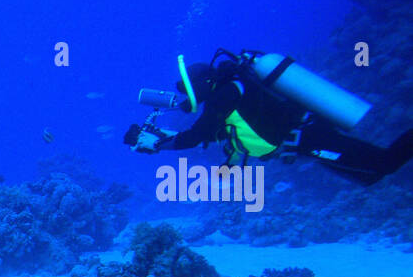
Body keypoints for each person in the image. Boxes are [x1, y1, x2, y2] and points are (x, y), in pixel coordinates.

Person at [125, 53, 413, 185]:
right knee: (370, 176)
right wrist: (158, 135)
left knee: (384, 164)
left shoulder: (224, 97)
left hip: (309, 137)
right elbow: (216, 134)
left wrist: (158, 145)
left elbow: (195, 136)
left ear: (203, 84)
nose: (192, 95)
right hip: (303, 141)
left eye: (192, 87)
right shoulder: (228, 97)